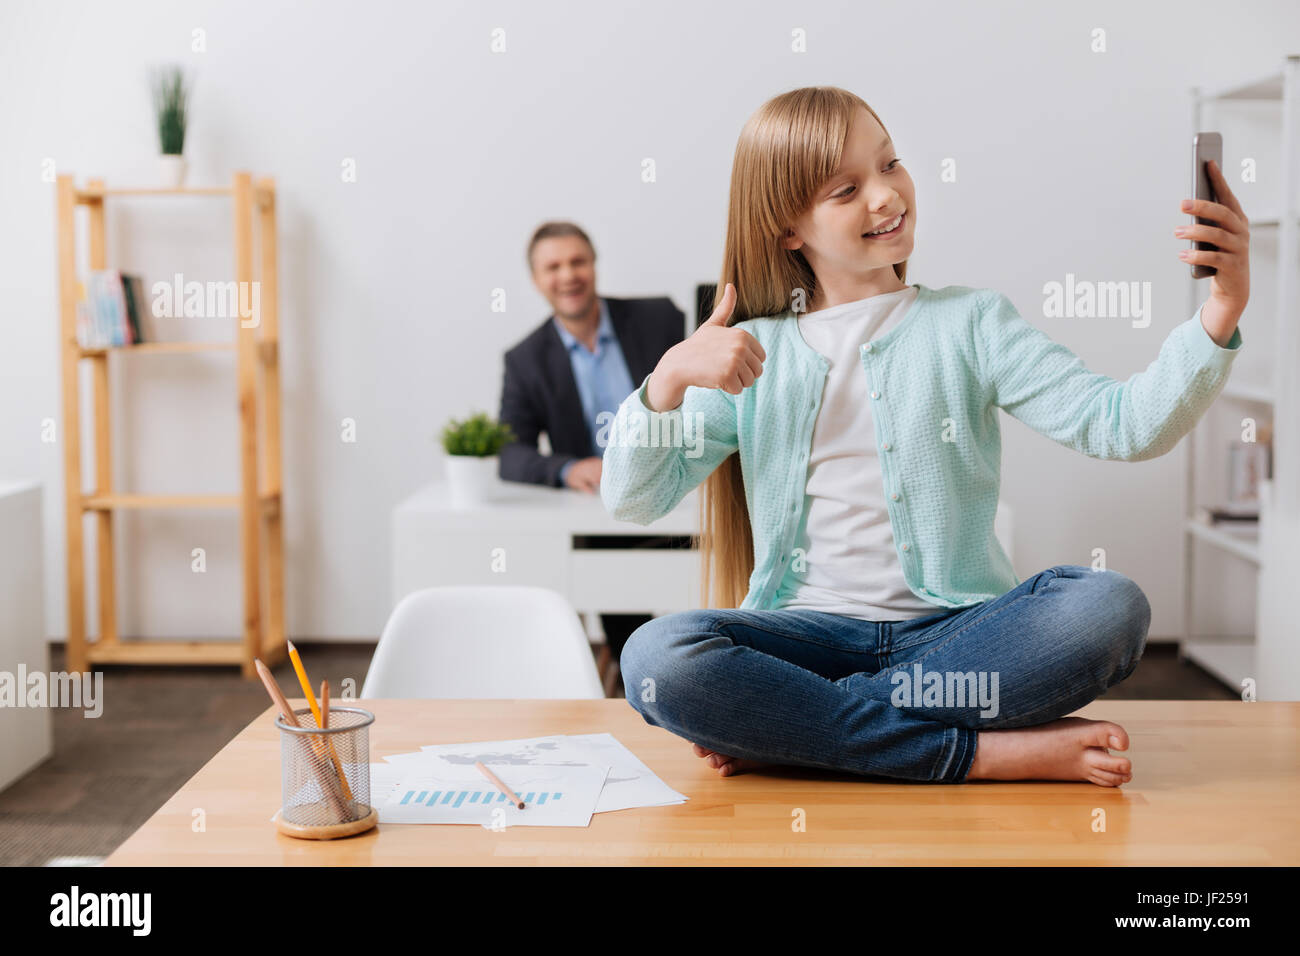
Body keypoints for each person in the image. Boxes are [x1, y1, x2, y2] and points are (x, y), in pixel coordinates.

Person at [602, 86, 1249, 785]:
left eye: (890, 164)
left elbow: (1122, 426)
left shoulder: (970, 323)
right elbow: (633, 502)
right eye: (847, 188)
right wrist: (663, 384)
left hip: (956, 644)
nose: (885, 195)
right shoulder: (751, 351)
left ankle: (800, 729)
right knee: (657, 657)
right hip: (805, 644)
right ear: (788, 228)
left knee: (1107, 605)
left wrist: (1222, 306)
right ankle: (977, 754)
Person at [498, 221, 687, 664]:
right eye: (554, 266)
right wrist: (568, 468)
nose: (569, 275)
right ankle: (639, 675)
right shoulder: (524, 359)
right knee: (617, 592)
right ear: (537, 280)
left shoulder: (660, 317)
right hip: (606, 513)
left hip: (682, 488)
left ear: (595, 266)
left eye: (577, 261)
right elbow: (511, 453)